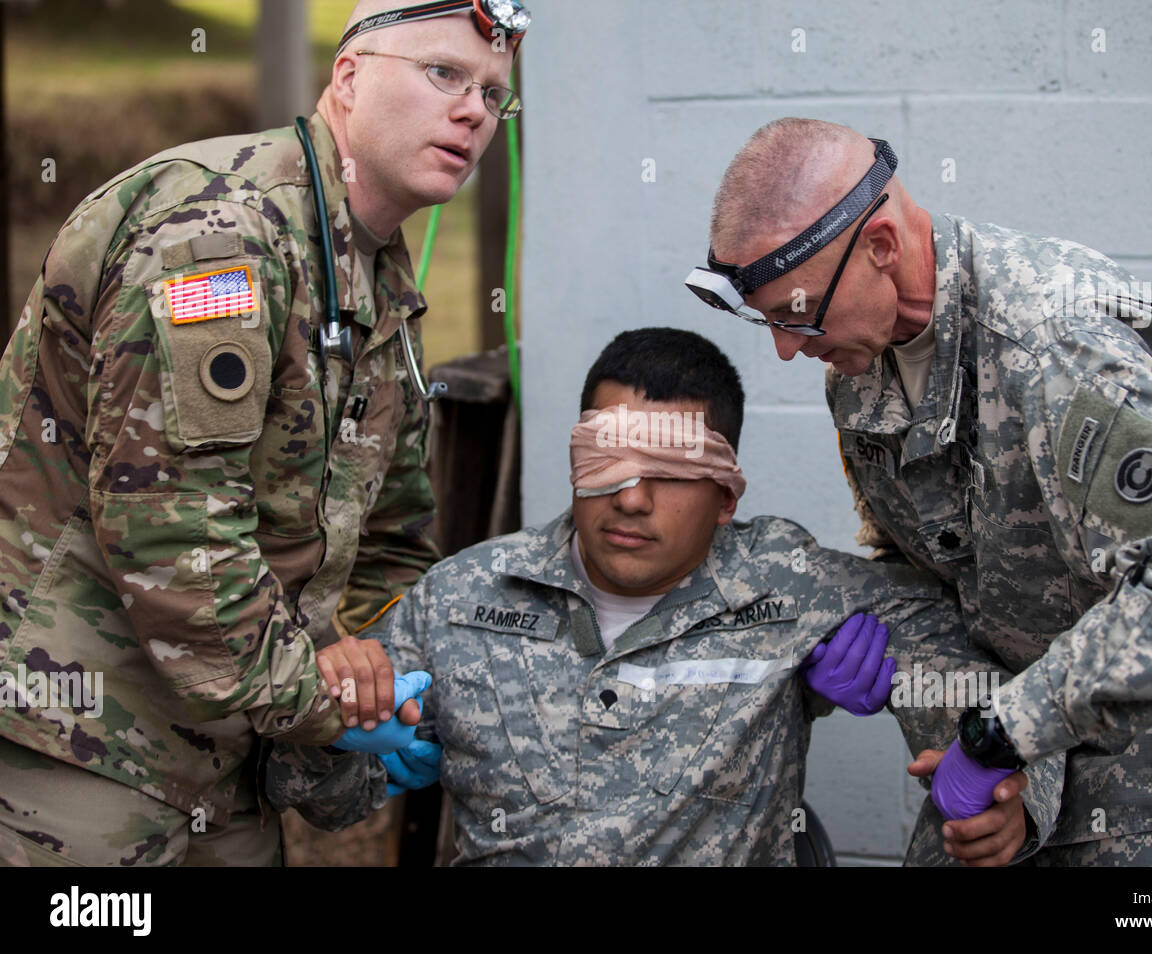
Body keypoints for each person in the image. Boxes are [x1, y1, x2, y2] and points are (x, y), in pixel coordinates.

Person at [0, 0, 530, 867]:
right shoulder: (220, 230)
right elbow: (172, 528)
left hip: (231, 747)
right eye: (443, 74)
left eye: (494, 94)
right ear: (349, 76)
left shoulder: (371, 272)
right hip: (82, 739)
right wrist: (328, 707)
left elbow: (389, 534)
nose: (473, 110)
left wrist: (388, 686)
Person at [688, 118, 1152, 866]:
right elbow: (932, 572)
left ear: (880, 248)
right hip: (1014, 755)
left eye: (795, 312)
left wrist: (1000, 733)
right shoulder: (859, 367)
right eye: (769, 318)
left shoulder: (1058, 346)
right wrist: (877, 648)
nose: (785, 346)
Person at [267, 327, 964, 866]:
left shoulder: (789, 585)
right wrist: (333, 733)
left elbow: (973, 652)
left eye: (669, 473)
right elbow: (332, 804)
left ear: (725, 496)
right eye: (608, 463)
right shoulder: (459, 597)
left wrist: (975, 764)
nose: (630, 499)